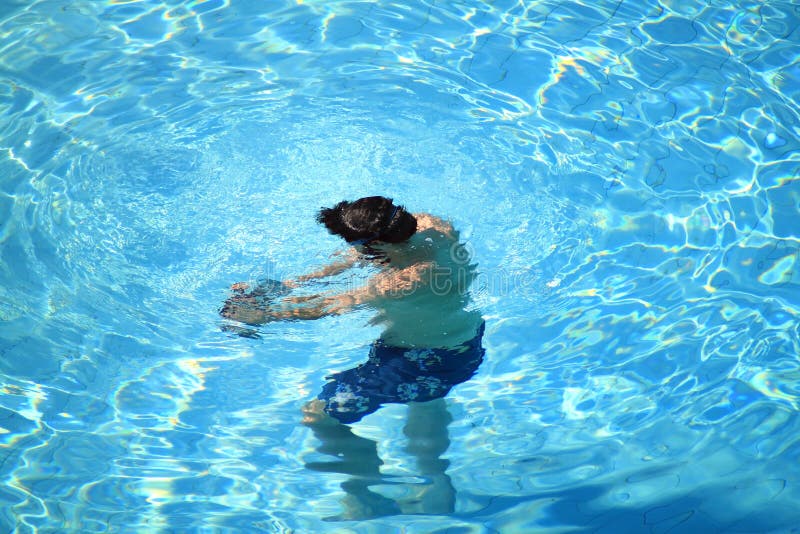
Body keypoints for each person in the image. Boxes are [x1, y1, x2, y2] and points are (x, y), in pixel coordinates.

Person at [220, 196, 485, 425]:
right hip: (455, 338)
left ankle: (366, 481)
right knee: (424, 420)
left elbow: (334, 303)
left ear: (377, 245)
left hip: (428, 361)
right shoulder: (432, 226)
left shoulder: (408, 278)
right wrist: (290, 285)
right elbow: (361, 255)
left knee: (317, 415)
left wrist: (264, 315)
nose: (353, 251)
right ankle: (433, 470)